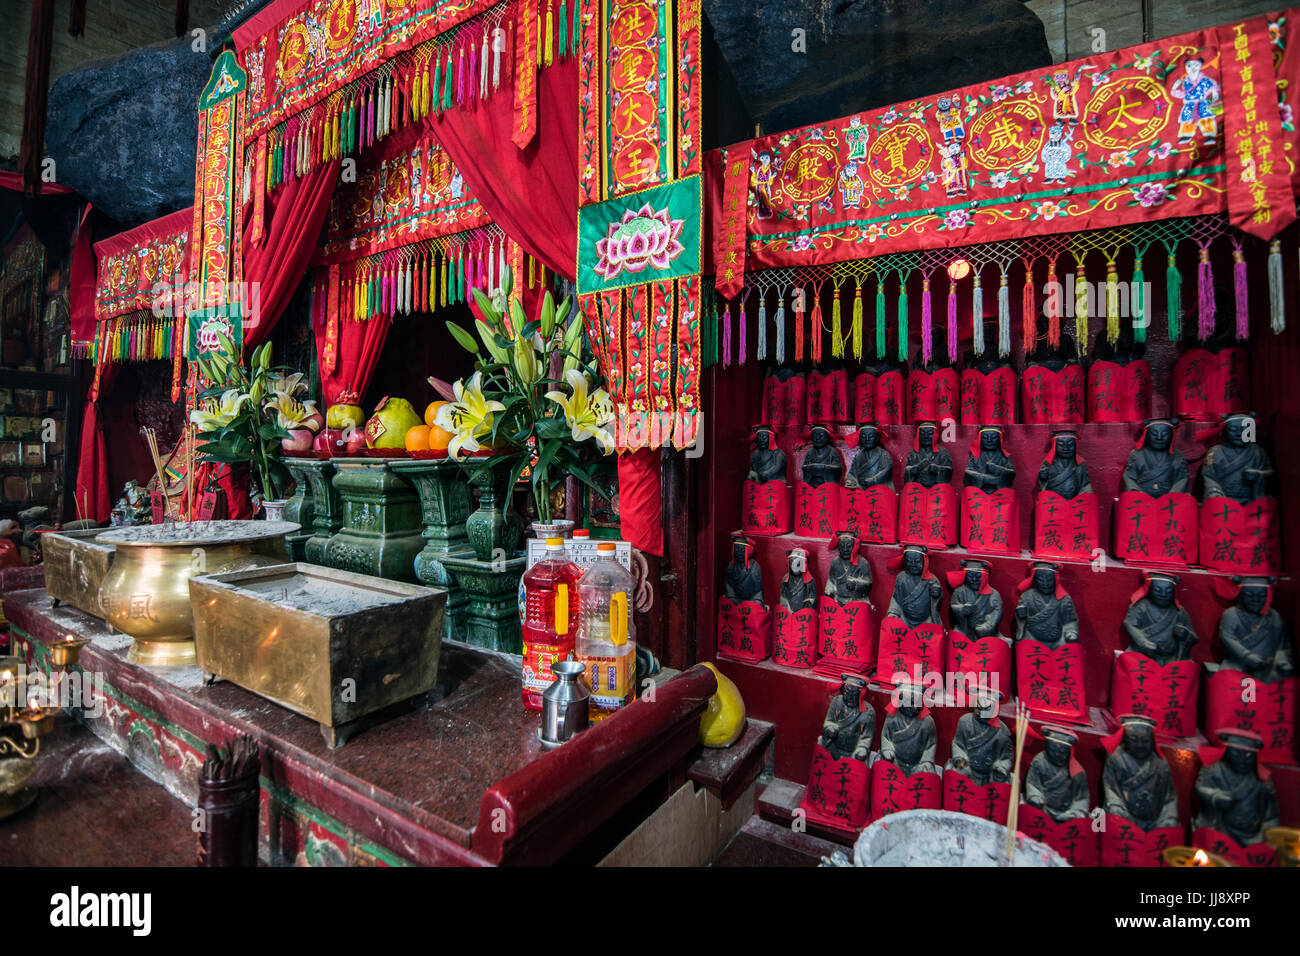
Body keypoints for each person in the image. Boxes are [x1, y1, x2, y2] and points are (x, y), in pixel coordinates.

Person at [1193, 730, 1279, 847]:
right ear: (1227, 752)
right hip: (1220, 826)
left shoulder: (1261, 779)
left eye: (1249, 756)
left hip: (1251, 833)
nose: (1242, 760)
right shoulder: (1215, 769)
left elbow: (1271, 814)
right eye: (1236, 754)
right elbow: (1201, 786)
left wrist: (1270, 833)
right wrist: (1215, 797)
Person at [1102, 714, 1180, 830]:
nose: (1140, 745)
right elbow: (1111, 790)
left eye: (1145, 740)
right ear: (1125, 739)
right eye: (1133, 739)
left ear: (1152, 740)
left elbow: (1169, 797)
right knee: (1114, 814)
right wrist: (1116, 807)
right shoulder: (1116, 758)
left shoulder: (1160, 763)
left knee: (1170, 824)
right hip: (1125, 814)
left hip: (1154, 819)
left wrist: (1169, 815)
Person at [1216, 577, 1294, 683]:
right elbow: (1226, 637)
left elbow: (1282, 645)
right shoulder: (1232, 614)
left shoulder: (1274, 616)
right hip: (1237, 663)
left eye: (1262, 595)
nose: (1256, 599)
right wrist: (1247, 656)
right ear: (1240, 596)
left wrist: (1282, 660)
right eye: (1249, 595)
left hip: (1267, 667)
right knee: (1228, 683)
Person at [1123, 572, 1198, 665]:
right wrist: (1143, 642)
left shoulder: (1179, 611)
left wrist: (1185, 634)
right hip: (1143, 655)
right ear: (1150, 590)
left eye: (1169, 591)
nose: (1163, 594)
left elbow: (1194, 637)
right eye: (1158, 590)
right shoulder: (1141, 606)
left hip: (1170, 657)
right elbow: (1129, 623)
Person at [1201, 413, 1274, 504]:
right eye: (1233, 430)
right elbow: (1209, 477)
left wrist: (1258, 475)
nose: (1239, 433)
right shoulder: (1216, 451)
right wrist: (1215, 492)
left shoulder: (1257, 452)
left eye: (1245, 430)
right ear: (1225, 431)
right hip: (1224, 499)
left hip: (1250, 500)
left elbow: (1269, 472)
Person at [1024, 726, 1090, 822]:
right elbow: (1032, 783)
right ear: (1046, 747)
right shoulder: (1040, 761)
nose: (1056, 755)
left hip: (1066, 812)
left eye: (1062, 752)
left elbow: (1082, 798)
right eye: (1052, 751)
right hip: (1043, 808)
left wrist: (1075, 812)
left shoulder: (1076, 771)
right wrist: (1035, 796)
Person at [946, 691, 1012, 785]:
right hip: (968, 767)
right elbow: (958, 744)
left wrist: (1001, 768)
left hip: (990, 773)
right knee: (956, 774)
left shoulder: (1003, 731)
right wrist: (960, 757)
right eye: (979, 708)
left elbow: (1006, 757)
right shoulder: (965, 721)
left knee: (1002, 783)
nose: (982, 712)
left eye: (986, 709)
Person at [1014, 562, 1078, 649]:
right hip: (1032, 637)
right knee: (1026, 648)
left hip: (1058, 640)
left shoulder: (1064, 598)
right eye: (1040, 579)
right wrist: (1020, 616)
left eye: (1049, 579)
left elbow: (1070, 621)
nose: (1045, 583)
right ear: (1035, 580)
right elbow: (1021, 620)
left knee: (1068, 651)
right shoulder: (1027, 596)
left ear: (1056, 579)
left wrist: (1071, 632)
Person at [879, 683, 937, 776]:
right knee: (883, 767)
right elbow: (886, 736)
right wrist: (887, 749)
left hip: (917, 764)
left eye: (913, 702)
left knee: (926, 775)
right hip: (895, 760)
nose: (909, 706)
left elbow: (930, 745)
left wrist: (926, 761)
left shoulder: (927, 722)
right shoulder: (892, 717)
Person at [1122, 419, 1190, 497]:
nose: (1159, 437)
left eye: (1164, 434)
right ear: (1146, 435)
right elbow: (1129, 477)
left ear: (1172, 435)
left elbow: (1182, 478)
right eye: (1154, 434)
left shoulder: (1177, 455)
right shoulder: (1137, 454)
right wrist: (1136, 492)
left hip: (1170, 498)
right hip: (1142, 499)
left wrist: (1173, 494)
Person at [820, 676, 875, 762]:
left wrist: (862, 748)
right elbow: (829, 721)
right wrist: (830, 728)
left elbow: (867, 736)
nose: (850, 697)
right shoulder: (837, 702)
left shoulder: (868, 711)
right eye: (847, 693)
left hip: (854, 751)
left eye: (854, 695)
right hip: (834, 746)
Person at [948, 559, 1004, 642]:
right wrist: (962, 609)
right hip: (964, 629)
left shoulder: (993, 594)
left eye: (978, 576)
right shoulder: (959, 591)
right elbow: (953, 605)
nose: (974, 579)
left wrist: (986, 626)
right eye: (970, 576)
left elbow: (996, 613)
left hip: (985, 630)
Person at [886, 546, 941, 627]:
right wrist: (893, 613)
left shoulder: (931, 580)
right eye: (909, 561)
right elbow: (896, 599)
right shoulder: (902, 578)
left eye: (917, 561)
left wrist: (937, 595)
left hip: (926, 620)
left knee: (932, 633)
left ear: (924, 561)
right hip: (905, 618)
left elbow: (937, 601)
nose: (913, 564)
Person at [1037, 432, 1092, 499]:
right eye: (1061, 445)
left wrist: (1086, 495)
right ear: (1055, 446)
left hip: (1075, 502)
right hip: (1053, 501)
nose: (1066, 448)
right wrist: (1043, 478)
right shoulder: (1049, 464)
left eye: (1070, 444)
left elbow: (1085, 485)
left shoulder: (1079, 464)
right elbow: (1043, 485)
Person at [824, 532, 871, 606]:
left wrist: (856, 584)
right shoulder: (835, 562)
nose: (845, 549)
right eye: (842, 546)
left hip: (857, 601)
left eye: (849, 546)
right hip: (839, 600)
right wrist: (827, 597)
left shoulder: (862, 562)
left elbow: (868, 583)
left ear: (854, 546)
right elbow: (831, 582)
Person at [963, 427, 1015, 492]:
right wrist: (984, 478)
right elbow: (968, 471)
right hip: (980, 492)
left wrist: (997, 469)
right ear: (981, 439)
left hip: (999, 492)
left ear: (999, 439)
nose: (989, 440)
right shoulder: (976, 455)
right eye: (985, 437)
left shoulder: (1004, 455)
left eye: (993, 437)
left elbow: (1011, 472)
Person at [903, 422, 952, 488]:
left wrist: (937, 468)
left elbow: (949, 469)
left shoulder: (943, 452)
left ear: (936, 435)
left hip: (936, 488)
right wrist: (916, 468)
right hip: (917, 488)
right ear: (918, 436)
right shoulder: (913, 453)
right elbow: (907, 470)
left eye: (929, 434)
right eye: (922, 434)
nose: (926, 437)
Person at [844, 423, 893, 490]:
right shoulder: (858, 456)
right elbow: (852, 473)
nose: (867, 439)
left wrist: (873, 480)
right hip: (862, 488)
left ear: (877, 438)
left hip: (879, 488)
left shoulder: (883, 454)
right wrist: (850, 480)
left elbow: (887, 470)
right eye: (863, 437)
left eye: (871, 436)